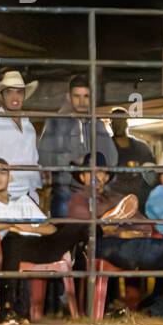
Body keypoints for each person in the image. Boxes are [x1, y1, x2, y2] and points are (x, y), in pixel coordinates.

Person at [66, 151, 163, 318]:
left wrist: (133, 231)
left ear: (107, 177)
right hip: (99, 244)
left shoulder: (118, 197)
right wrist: (118, 231)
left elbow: (141, 223)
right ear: (82, 176)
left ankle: (157, 306)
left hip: (131, 242)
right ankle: (157, 304)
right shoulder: (78, 199)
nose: (96, 177)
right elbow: (81, 229)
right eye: (90, 172)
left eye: (101, 172)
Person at [0, 158, 89, 321]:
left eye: (2, 172)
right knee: (13, 239)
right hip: (4, 249)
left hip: (37, 247)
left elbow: (50, 228)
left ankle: (98, 228)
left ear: (10, 176)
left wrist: (28, 228)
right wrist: (11, 224)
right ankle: (9, 307)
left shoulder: (23, 201)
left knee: (71, 225)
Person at [38, 74, 117, 219]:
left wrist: (99, 166)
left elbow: (112, 157)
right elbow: (44, 157)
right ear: (69, 97)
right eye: (77, 96)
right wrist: (72, 159)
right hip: (66, 189)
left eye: (86, 96)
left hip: (96, 190)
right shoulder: (56, 123)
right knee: (68, 230)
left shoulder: (97, 125)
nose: (81, 102)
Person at [0, 70, 42, 203]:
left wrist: (36, 187)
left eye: (19, 92)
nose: (14, 97)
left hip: (29, 197)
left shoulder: (29, 127)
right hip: (0, 198)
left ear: (24, 95)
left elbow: (34, 162)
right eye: (9, 92)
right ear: (1, 96)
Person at [107, 106, 154, 197]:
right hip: (113, 198)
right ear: (110, 125)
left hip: (139, 198)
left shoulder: (141, 148)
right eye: (114, 122)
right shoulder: (104, 148)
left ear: (126, 123)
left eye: (120, 121)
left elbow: (152, 176)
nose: (118, 125)